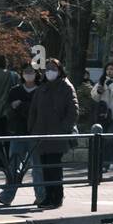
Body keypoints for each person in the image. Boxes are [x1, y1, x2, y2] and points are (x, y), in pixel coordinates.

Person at [28, 58, 77, 208]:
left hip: (57, 135)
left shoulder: (66, 87)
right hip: (41, 134)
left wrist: (64, 129)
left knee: (54, 168)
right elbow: (33, 111)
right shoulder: (42, 88)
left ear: (60, 70)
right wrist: (32, 130)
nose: (50, 71)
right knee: (45, 169)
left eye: (53, 68)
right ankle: (48, 197)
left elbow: (73, 111)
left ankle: (57, 197)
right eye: (47, 68)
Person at [0, 64, 46, 206]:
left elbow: (39, 111)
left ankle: (41, 196)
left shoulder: (40, 91)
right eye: (25, 72)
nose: (28, 74)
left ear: (36, 74)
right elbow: (8, 110)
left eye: (31, 72)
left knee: (37, 167)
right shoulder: (15, 90)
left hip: (35, 133)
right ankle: (7, 196)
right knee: (13, 166)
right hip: (17, 132)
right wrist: (15, 107)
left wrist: (22, 106)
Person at [91, 61, 113, 171]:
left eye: (111, 69)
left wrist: (111, 84)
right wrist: (98, 92)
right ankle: (105, 164)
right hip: (104, 115)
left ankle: (112, 161)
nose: (109, 71)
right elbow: (94, 97)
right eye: (107, 69)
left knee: (109, 138)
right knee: (104, 139)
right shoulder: (102, 82)